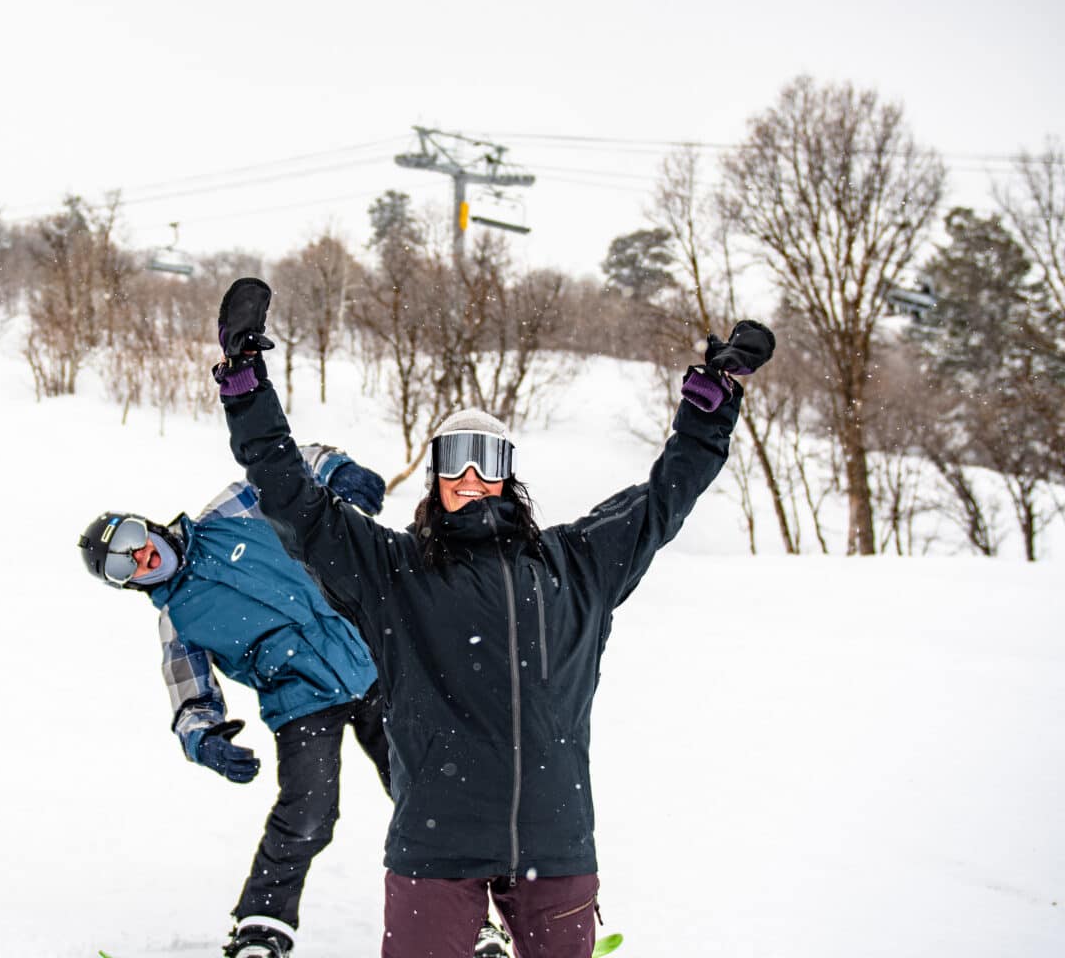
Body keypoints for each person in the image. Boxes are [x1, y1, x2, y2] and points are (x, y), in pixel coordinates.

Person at [209, 277, 775, 958]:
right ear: (436, 478)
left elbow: (666, 497)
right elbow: (292, 498)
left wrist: (710, 408)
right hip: (436, 844)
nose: (472, 474)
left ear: (509, 474)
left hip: (556, 842)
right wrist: (246, 386)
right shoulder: (395, 572)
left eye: (489, 459)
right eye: (456, 458)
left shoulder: (577, 563)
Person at [77, 445, 394, 958]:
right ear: (126, 584)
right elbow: (191, 701)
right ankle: (262, 927)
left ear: (148, 526)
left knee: (424, 788)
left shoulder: (229, 512)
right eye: (121, 566)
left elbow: (293, 466)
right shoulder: (177, 622)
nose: (138, 556)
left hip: (374, 657)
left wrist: (339, 471)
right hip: (300, 700)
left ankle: (471, 904)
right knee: (309, 813)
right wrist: (205, 741)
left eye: (133, 539)